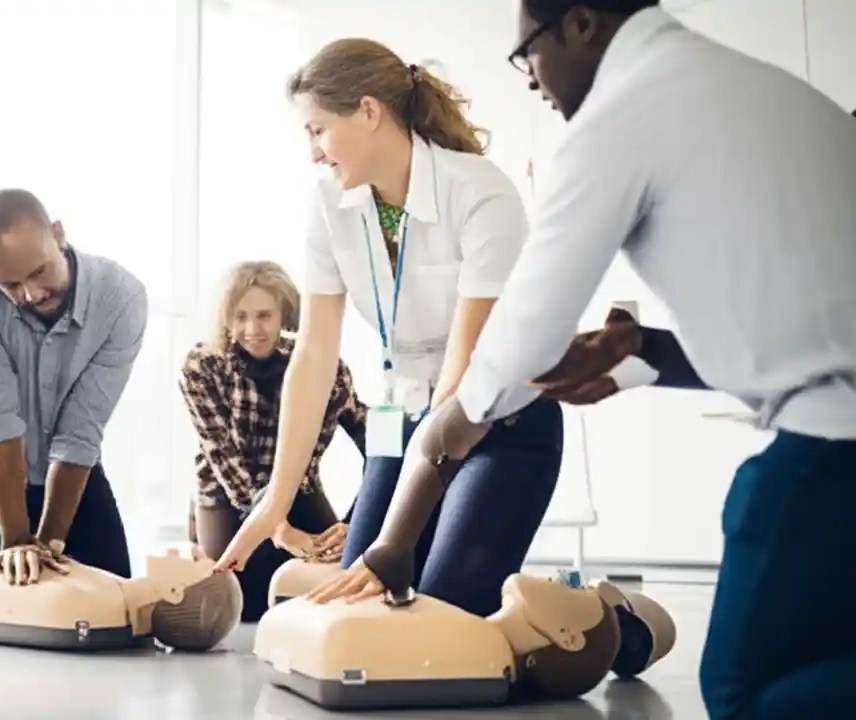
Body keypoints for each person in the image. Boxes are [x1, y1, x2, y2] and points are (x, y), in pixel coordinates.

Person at [308, 2, 856, 719]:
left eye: (528, 51)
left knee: (745, 694)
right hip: (827, 427)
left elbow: (516, 347)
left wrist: (402, 526)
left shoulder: (608, 125)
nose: (530, 79)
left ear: (581, 24)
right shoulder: (768, 91)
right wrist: (645, 352)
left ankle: (605, 620)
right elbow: (812, 333)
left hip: (824, 448)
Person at [215, 38, 565, 619]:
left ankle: (608, 620)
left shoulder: (481, 193)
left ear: (370, 112)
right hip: (398, 416)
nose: (314, 153)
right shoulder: (329, 205)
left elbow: (460, 382)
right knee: (364, 610)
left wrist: (396, 539)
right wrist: (273, 502)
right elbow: (314, 355)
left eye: (318, 130)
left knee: (443, 612)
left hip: (497, 421)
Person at [0, 189, 147, 636]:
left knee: (116, 617)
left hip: (70, 463)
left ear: (58, 235)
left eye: (39, 272)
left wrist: (47, 545)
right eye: (11, 287)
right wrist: (16, 541)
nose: (31, 294)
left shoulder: (123, 298)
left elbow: (81, 430)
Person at [179, 261, 365, 621]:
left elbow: (376, 444)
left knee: (334, 588)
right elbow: (226, 463)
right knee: (241, 603)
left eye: (264, 315)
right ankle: (199, 548)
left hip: (301, 491)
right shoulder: (201, 366)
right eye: (241, 316)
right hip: (228, 497)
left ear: (284, 314)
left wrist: (357, 522)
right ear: (225, 318)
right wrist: (280, 529)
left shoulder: (325, 367)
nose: (252, 329)